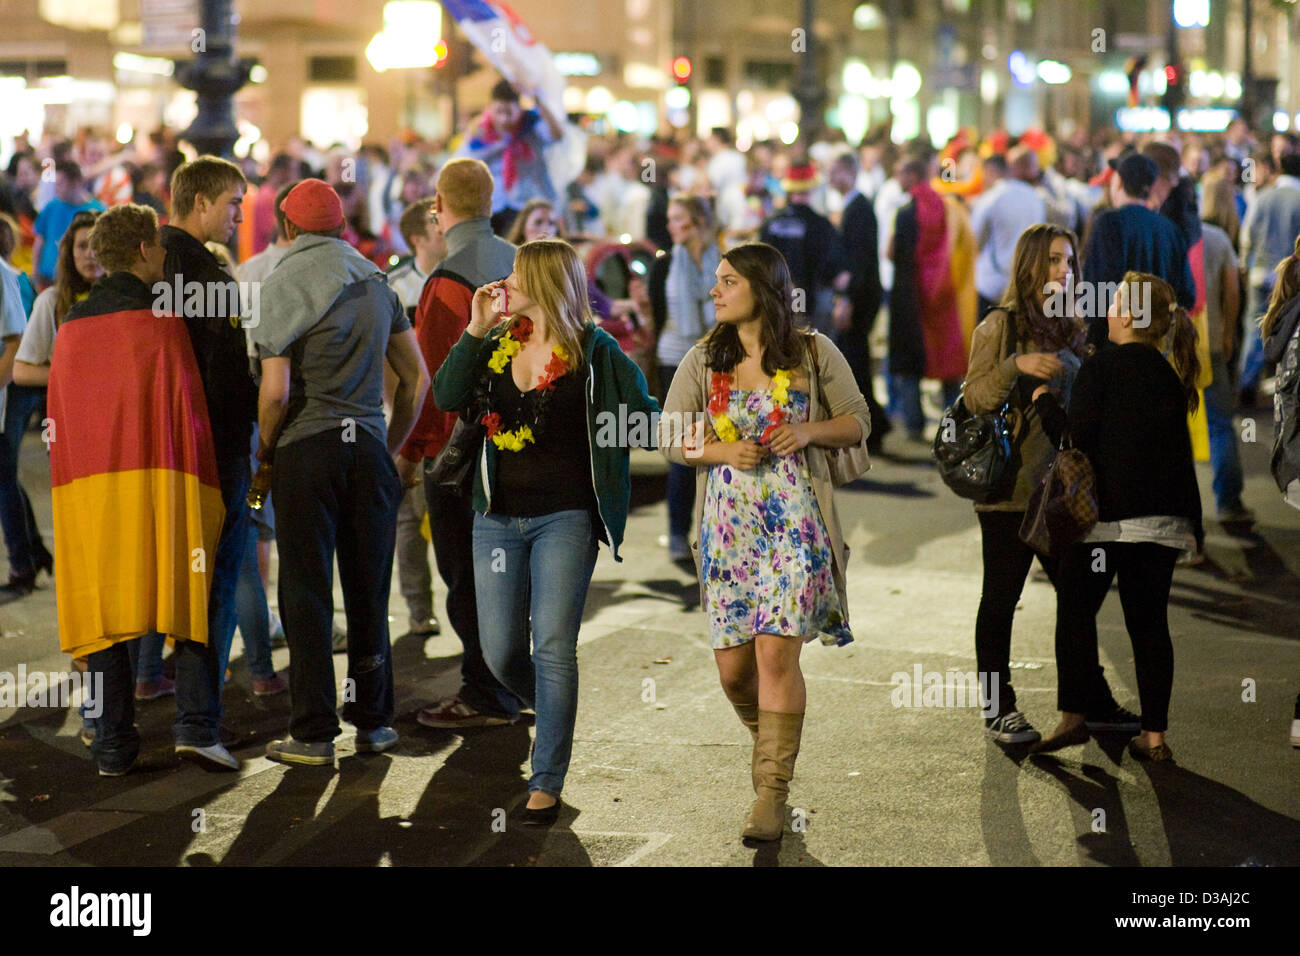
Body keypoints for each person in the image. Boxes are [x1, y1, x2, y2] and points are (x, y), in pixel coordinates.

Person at [434, 238, 658, 824]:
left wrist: (710, 429)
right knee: (502, 651)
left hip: (566, 517)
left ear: (544, 281)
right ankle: (556, 711)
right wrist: (474, 330)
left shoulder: (596, 352)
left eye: (514, 272)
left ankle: (547, 777)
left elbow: (644, 419)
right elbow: (446, 395)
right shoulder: (499, 342)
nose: (503, 280)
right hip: (496, 519)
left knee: (553, 646)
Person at [659, 242, 870, 842]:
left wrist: (806, 431)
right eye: (716, 281)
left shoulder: (812, 351)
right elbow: (668, 435)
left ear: (762, 287)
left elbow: (859, 421)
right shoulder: (703, 359)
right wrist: (723, 450)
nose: (715, 290)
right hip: (729, 533)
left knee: (777, 653)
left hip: (795, 524)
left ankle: (772, 793)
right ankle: (770, 746)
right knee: (734, 672)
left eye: (728, 281)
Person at [254, 179, 429, 765]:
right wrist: (392, 442)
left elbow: (275, 392)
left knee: (305, 593)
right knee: (368, 590)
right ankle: (375, 723)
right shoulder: (377, 282)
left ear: (288, 226)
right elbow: (416, 379)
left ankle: (311, 733)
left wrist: (266, 450)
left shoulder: (282, 282)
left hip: (309, 450)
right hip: (368, 451)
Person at [47, 203, 226, 776]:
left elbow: (61, 420)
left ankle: (111, 744)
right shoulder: (164, 321)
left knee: (106, 610)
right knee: (186, 592)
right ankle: (196, 728)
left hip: (92, 494)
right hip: (162, 485)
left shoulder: (72, 325)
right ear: (146, 251)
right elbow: (187, 411)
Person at [1033, 272, 1203, 761]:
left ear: (1129, 316)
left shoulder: (1102, 368)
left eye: (1116, 302)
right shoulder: (1169, 374)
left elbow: (1076, 442)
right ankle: (1155, 738)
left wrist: (1043, 402)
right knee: (1149, 625)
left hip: (1106, 525)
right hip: (1163, 524)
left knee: (1075, 609)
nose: (1108, 308)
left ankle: (1073, 717)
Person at [397, 158, 524, 729]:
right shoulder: (521, 264)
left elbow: (433, 382)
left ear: (439, 209)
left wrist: (410, 450)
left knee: (467, 580)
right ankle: (511, 685)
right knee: (508, 575)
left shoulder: (447, 280)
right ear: (491, 202)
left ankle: (483, 692)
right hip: (522, 445)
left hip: (463, 454)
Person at [960, 224, 1089, 745]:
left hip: (1063, 492)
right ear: (1032, 266)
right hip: (1011, 491)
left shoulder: (1075, 327)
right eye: (1055, 261)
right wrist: (1016, 366)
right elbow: (972, 400)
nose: (1065, 271)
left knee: (1077, 600)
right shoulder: (999, 325)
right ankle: (998, 709)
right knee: (1000, 599)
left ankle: (1085, 702)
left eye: (1071, 262)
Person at [160, 155, 260, 771]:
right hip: (213, 453)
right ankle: (198, 721)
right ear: (200, 203)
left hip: (160, 452)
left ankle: (116, 721)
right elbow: (224, 378)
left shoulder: (149, 266)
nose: (238, 215)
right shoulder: (204, 273)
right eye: (232, 203)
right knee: (216, 583)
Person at [386, 197, 445, 638]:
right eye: (433, 224)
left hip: (451, 419)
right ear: (417, 239)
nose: (443, 228)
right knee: (409, 522)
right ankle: (419, 607)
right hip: (407, 418)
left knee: (449, 517)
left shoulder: (459, 277)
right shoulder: (395, 286)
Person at [654, 195, 721, 560]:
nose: (669, 225)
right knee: (682, 447)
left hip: (717, 362)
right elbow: (656, 312)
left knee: (716, 442)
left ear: (696, 222)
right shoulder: (664, 263)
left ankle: (713, 529)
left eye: (676, 218)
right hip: (674, 360)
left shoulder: (723, 261)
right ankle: (678, 533)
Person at [887, 156, 966, 439]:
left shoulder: (907, 212)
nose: (896, 177)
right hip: (944, 295)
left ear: (912, 174)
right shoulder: (948, 206)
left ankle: (913, 426)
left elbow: (897, 254)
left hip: (911, 295)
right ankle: (952, 428)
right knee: (948, 365)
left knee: (910, 365)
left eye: (899, 172)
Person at [1081, 153, 1195, 349]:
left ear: (1120, 182)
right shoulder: (1170, 230)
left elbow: (1095, 293)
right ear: (1150, 188)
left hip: (1113, 346)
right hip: (1158, 346)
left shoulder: (1108, 223)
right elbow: (1186, 294)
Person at [1199, 168, 1252, 524]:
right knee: (1220, 423)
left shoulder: (1173, 237)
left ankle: (1179, 516)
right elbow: (1232, 292)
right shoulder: (1218, 239)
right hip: (1213, 344)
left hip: (1176, 347)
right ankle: (1229, 502)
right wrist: (1229, 332)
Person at [827, 151, 889, 452]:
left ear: (849, 173)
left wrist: (847, 299)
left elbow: (860, 261)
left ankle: (873, 425)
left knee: (856, 361)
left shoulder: (858, 208)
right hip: (862, 295)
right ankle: (875, 422)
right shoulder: (853, 206)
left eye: (835, 171)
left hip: (861, 298)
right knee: (856, 359)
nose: (829, 178)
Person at [457, 79, 564, 235]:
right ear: (490, 108)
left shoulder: (532, 127)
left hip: (528, 208)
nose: (504, 119)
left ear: (519, 109)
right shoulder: (479, 132)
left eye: (509, 112)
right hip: (492, 210)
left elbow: (557, 135)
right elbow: (463, 165)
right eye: (499, 111)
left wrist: (539, 101)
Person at [759, 163, 850, 337]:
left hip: (777, 304)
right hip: (812, 306)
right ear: (811, 188)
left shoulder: (771, 224)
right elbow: (836, 270)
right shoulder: (821, 225)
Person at [1240, 152, 1300, 406]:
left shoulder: (1263, 196)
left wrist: (1245, 263)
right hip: (1289, 279)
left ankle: (1246, 382)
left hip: (1260, 273)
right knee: (1290, 331)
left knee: (1255, 328)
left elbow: (1248, 234)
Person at [970, 152, 1046, 318]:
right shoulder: (1037, 198)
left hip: (991, 285)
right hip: (1024, 286)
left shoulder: (991, 198)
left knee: (986, 340)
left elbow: (974, 241)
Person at [32, 161, 104, 289]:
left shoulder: (98, 211)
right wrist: (35, 273)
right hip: (47, 279)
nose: (56, 189)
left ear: (75, 183)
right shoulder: (52, 206)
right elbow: (39, 241)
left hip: (81, 282)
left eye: (60, 184)